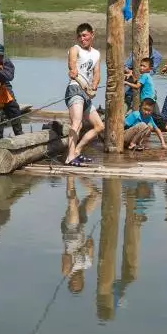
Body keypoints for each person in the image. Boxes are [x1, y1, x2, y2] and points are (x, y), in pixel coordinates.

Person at [64, 23, 105, 166]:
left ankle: (77, 151)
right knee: (77, 123)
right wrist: (73, 70)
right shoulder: (75, 49)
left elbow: (97, 73)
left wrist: (94, 85)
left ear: (91, 35)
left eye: (85, 35)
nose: (82, 39)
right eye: (80, 36)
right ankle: (69, 157)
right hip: (75, 89)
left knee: (99, 126)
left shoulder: (96, 54)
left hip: (86, 93)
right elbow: (72, 64)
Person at [61, 177, 99, 294]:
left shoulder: (68, 271)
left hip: (71, 231)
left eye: (73, 283)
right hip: (81, 228)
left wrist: (68, 269)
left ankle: (70, 176)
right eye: (78, 284)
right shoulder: (88, 264)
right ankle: (82, 178)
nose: (76, 281)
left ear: (70, 281)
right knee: (96, 195)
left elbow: (66, 256)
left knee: (73, 202)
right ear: (83, 281)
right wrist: (87, 247)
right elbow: (91, 243)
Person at [126, 57, 167, 142]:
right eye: (141, 66)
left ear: (149, 69)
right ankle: (142, 137)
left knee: (157, 120)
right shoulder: (147, 76)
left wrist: (126, 83)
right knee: (151, 118)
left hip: (148, 102)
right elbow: (137, 82)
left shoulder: (144, 76)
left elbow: (137, 86)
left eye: (144, 66)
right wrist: (131, 75)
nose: (141, 68)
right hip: (151, 100)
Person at [123, 35, 162, 108]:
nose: (144, 49)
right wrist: (129, 71)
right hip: (132, 81)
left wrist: (137, 74)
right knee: (127, 99)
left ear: (150, 45)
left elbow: (152, 71)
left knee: (151, 98)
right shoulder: (135, 52)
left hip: (145, 83)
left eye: (147, 46)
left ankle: (157, 116)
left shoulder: (157, 56)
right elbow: (126, 66)